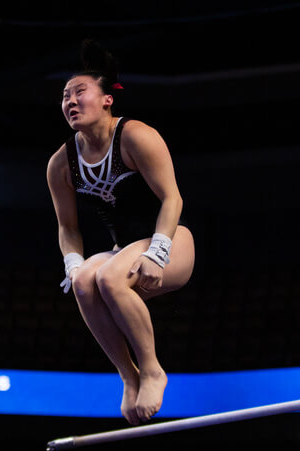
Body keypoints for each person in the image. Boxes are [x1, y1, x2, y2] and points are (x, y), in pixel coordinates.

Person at [46, 40, 195, 425]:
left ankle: (152, 369)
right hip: (124, 248)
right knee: (83, 282)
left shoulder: (135, 136)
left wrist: (158, 252)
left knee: (111, 277)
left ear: (108, 99)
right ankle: (128, 376)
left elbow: (172, 199)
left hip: (173, 240)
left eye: (80, 92)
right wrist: (73, 263)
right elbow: (67, 227)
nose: (71, 101)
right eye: (65, 96)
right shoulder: (61, 163)